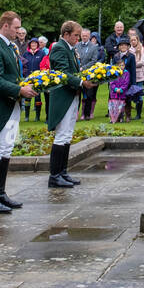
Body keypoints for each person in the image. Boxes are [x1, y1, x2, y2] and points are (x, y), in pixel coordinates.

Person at [0, 11, 37, 214]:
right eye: (15, 28)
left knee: (6, 148)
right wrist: (19, 90)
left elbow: (11, 75)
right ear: (5, 26)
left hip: (11, 103)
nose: (18, 31)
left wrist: (24, 85)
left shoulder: (9, 46)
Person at [45, 21, 93, 188]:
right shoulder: (59, 48)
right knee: (62, 135)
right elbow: (63, 73)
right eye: (75, 35)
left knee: (67, 135)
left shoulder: (70, 48)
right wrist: (81, 82)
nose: (78, 39)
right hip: (63, 96)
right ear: (66, 35)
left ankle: (62, 172)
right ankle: (55, 175)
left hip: (71, 95)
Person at [107, 36, 134, 123]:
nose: (123, 47)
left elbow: (133, 70)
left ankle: (128, 115)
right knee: (116, 100)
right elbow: (113, 70)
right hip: (117, 81)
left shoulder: (131, 56)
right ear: (119, 47)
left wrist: (133, 83)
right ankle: (117, 116)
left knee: (127, 99)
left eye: (125, 45)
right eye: (121, 45)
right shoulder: (116, 56)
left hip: (127, 80)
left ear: (128, 46)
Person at [128, 29, 144, 120]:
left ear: (137, 40)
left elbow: (142, 62)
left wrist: (133, 65)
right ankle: (128, 113)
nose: (133, 42)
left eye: (135, 40)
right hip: (130, 76)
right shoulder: (128, 50)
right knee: (130, 94)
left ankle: (138, 114)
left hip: (139, 75)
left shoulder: (141, 49)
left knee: (138, 94)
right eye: (131, 40)